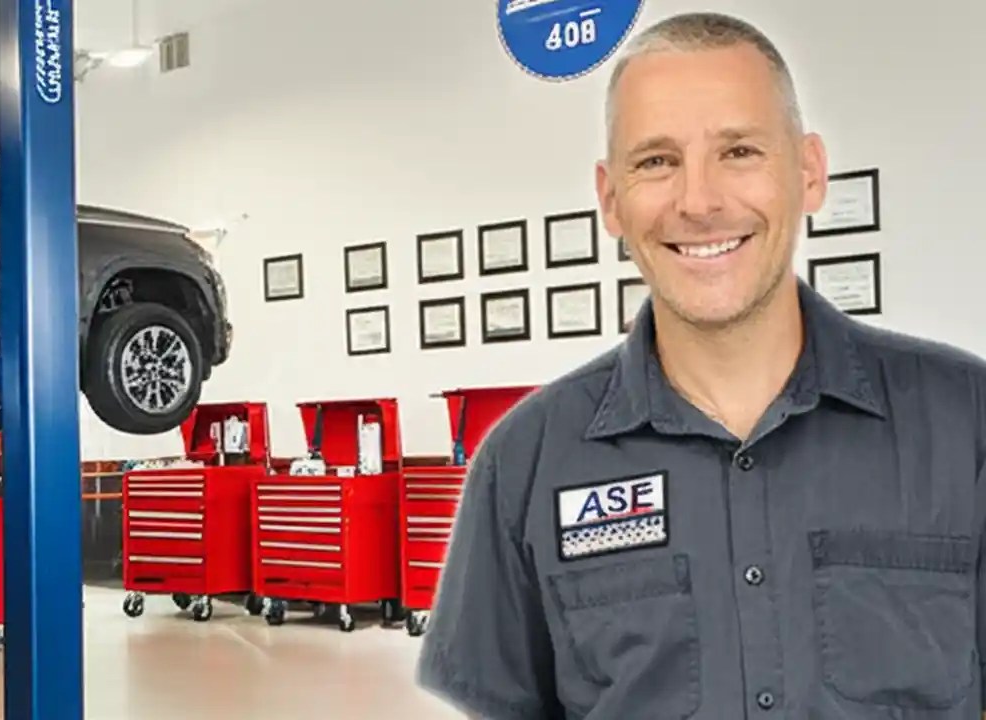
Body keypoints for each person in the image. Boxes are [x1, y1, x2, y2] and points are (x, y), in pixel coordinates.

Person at [417, 10, 986, 720]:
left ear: (808, 172)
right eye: (657, 161)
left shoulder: (966, 423)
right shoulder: (524, 464)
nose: (700, 201)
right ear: (610, 198)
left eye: (740, 151)